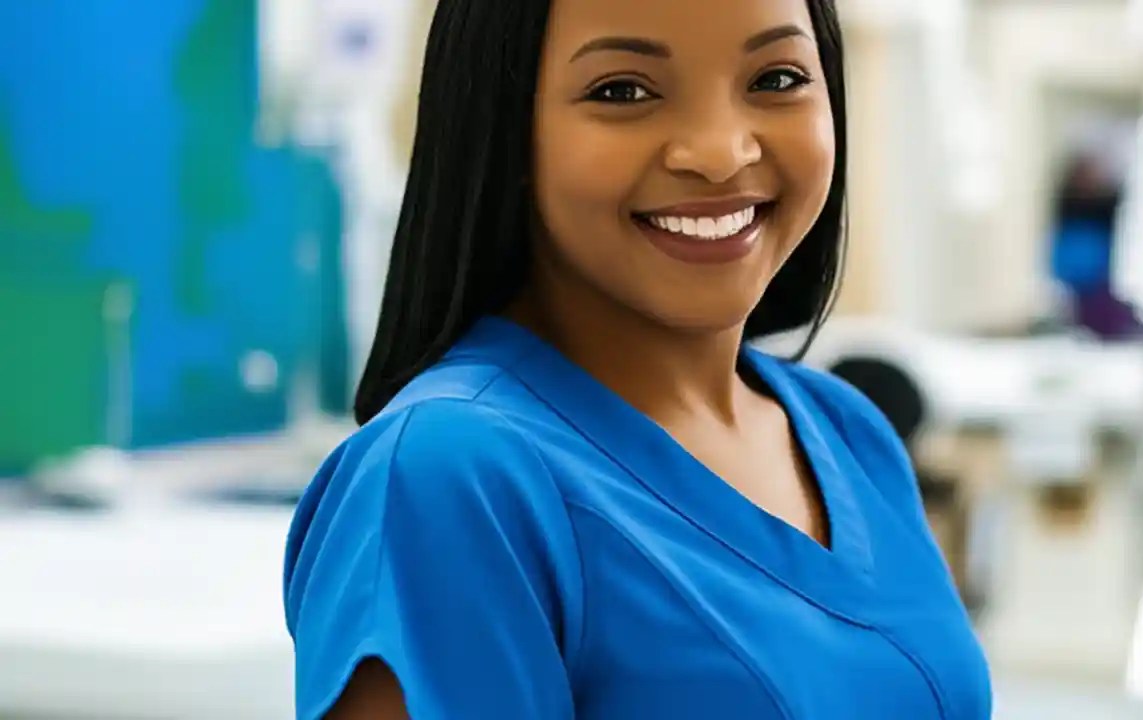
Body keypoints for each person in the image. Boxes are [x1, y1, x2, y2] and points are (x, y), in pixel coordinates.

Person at [283, 0, 993, 717]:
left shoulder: (848, 431)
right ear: (502, 126)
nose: (720, 151)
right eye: (622, 90)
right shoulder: (449, 475)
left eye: (776, 78)